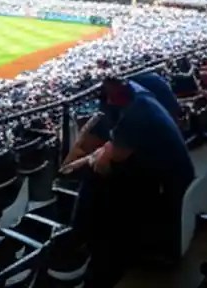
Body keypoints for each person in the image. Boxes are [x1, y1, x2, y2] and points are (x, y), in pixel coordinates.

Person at [63, 78, 195, 288]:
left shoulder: (136, 113)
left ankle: (81, 247)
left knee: (97, 181)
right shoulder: (140, 97)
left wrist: (92, 153)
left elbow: (105, 162)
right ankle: (84, 244)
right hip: (168, 177)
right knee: (104, 179)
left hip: (166, 186)